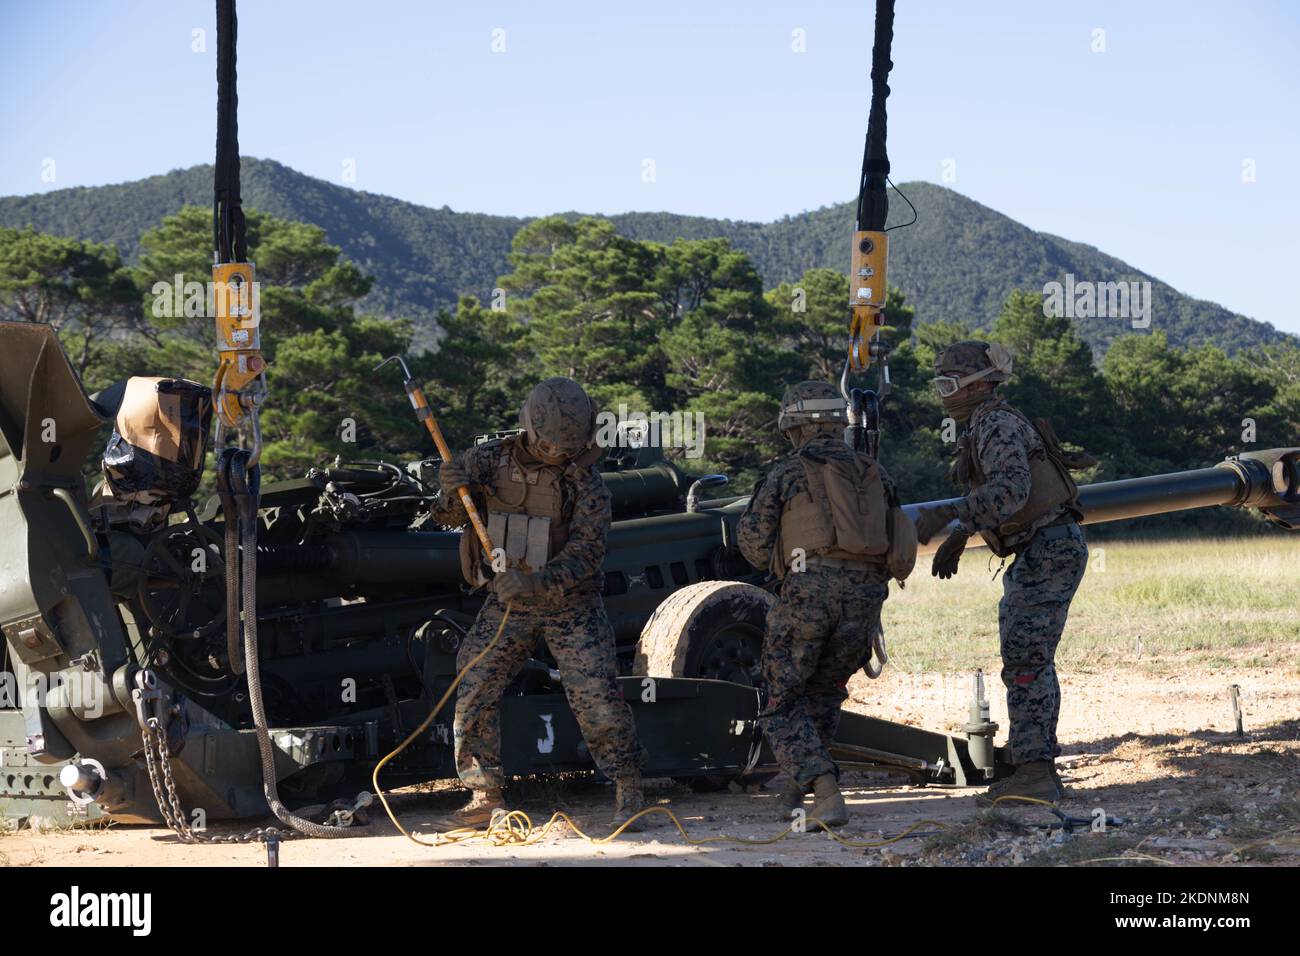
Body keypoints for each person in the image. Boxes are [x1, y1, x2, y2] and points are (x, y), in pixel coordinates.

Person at [432, 377, 647, 829]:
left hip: (572, 604)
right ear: (528, 427)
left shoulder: (586, 482)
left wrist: (539, 582)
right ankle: (484, 792)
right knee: (475, 678)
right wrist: (449, 492)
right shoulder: (488, 460)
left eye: (566, 446)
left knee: (596, 696)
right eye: (548, 444)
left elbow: (588, 554)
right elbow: (450, 518)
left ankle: (628, 786)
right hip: (508, 601)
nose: (556, 453)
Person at [913, 341, 1089, 806]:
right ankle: (1034, 766)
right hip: (1042, 550)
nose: (943, 394)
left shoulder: (995, 424)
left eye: (949, 384)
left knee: (1027, 662)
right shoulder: (988, 424)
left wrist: (952, 517)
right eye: (939, 384)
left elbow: (1012, 490)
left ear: (982, 384)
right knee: (1027, 660)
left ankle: (1035, 774)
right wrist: (961, 531)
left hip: (1046, 549)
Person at [737, 380, 901, 828]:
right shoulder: (874, 472)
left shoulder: (788, 473)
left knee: (780, 700)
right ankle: (796, 790)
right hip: (866, 602)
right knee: (823, 695)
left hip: (811, 596)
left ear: (795, 425)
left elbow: (753, 545)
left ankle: (826, 792)